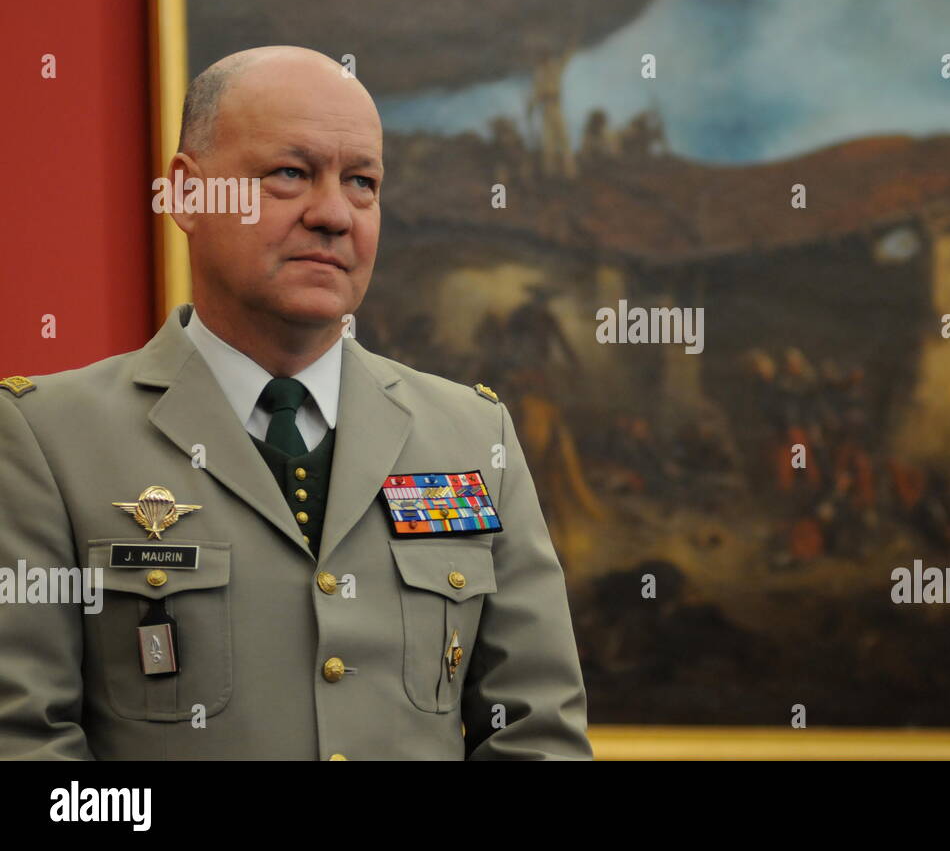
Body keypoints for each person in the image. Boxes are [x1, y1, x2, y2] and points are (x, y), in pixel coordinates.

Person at [0, 46, 592, 760]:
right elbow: (28, 748)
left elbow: (538, 739)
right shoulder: (47, 440)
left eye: (362, 182)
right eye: (291, 173)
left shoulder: (473, 437)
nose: (336, 214)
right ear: (189, 195)